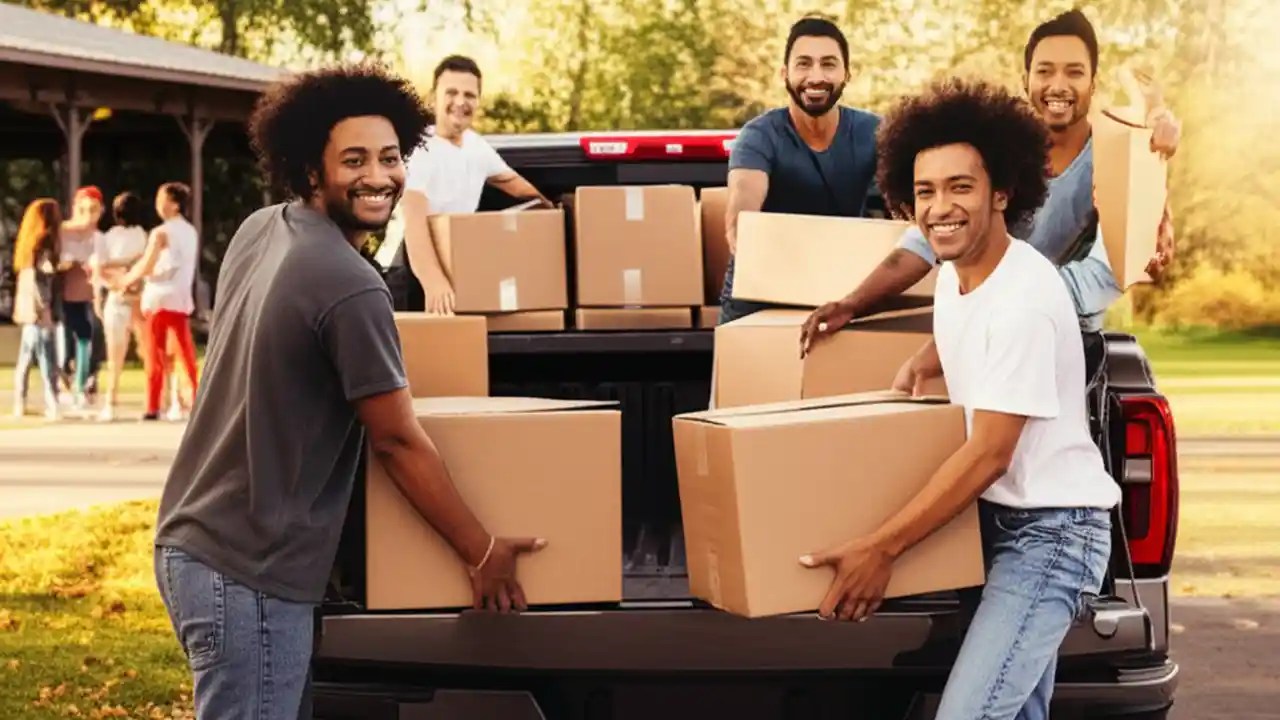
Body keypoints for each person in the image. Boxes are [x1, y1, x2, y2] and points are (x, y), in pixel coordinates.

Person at [150, 62, 545, 718]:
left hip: (197, 542)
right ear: (310, 170)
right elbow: (395, 439)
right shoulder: (349, 282)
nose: (378, 177)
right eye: (353, 160)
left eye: (390, 158)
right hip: (248, 571)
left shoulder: (263, 228)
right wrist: (481, 550)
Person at [800, 77, 1120, 720]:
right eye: (925, 191)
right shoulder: (957, 276)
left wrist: (881, 549)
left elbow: (989, 456)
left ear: (1003, 191)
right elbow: (965, 337)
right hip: (997, 525)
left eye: (960, 187)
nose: (939, 207)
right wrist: (918, 365)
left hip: (1053, 533)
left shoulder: (1025, 299)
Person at [799, 9, 1181, 356]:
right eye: (1045, 71)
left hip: (1063, 336)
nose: (1058, 85)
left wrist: (1158, 145)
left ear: (1093, 84)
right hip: (983, 327)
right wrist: (851, 303)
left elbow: (1110, 267)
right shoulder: (996, 148)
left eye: (1074, 72)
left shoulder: (1115, 152)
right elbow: (920, 244)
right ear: (1026, 80)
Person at [718, 15, 882, 324]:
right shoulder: (759, 136)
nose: (816, 76)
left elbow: (909, 206)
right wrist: (745, 234)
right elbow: (742, 216)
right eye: (804, 64)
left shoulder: (874, 132)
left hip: (843, 288)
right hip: (760, 294)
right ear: (785, 73)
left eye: (829, 64)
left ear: (848, 74)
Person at [399, 54, 552, 315]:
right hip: (414, 274)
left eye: (469, 95)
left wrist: (553, 210)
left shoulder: (477, 147)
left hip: (460, 270)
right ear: (434, 96)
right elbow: (414, 224)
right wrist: (434, 283)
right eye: (452, 92)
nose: (460, 102)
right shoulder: (420, 148)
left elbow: (517, 186)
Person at [114, 182, 200, 422]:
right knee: (185, 351)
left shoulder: (161, 232)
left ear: (174, 204)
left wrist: (125, 280)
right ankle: (195, 397)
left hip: (159, 296)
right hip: (180, 297)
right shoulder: (190, 232)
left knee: (155, 353)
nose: (158, 204)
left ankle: (153, 404)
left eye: (162, 199)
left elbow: (147, 264)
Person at [90, 191, 151, 422]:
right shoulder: (144, 236)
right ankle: (154, 399)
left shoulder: (108, 237)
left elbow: (99, 269)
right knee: (146, 351)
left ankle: (110, 402)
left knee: (115, 354)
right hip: (138, 297)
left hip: (117, 297)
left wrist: (99, 295)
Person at [11, 199, 63, 420]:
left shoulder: (27, 244)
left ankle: (20, 401)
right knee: (45, 356)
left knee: (26, 357)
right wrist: (45, 308)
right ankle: (52, 402)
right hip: (39, 309)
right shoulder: (45, 242)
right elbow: (41, 279)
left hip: (27, 307)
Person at [58, 185, 104, 408]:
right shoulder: (63, 231)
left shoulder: (97, 237)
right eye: (85, 209)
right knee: (65, 339)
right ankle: (65, 379)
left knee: (88, 337)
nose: (89, 215)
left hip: (89, 295)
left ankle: (84, 382)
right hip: (64, 294)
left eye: (94, 209)